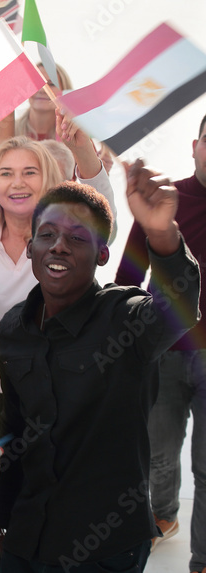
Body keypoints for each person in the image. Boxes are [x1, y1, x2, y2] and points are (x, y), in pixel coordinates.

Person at [0, 171, 200, 572]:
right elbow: (14, 433)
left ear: (102, 253)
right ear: (30, 245)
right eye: (48, 235)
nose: (59, 247)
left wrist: (161, 233)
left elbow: (178, 308)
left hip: (106, 548)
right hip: (26, 537)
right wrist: (3, 520)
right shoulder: (12, 329)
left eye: (77, 237)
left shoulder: (126, 319)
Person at [0, 127, 115, 573]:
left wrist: (81, 148)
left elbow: (100, 209)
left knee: (57, 524)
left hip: (65, 400)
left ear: (49, 179)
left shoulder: (70, 239)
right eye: (6, 173)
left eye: (29, 172)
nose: (17, 182)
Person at [115, 113, 206, 573]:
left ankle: (203, 559)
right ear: (195, 146)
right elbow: (130, 273)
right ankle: (163, 516)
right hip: (164, 352)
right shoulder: (165, 200)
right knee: (159, 454)